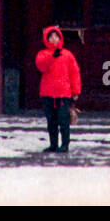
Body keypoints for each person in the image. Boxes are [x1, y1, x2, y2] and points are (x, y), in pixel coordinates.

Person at [35, 25, 81, 154]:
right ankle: (53, 144)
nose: (54, 39)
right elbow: (41, 66)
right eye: (51, 37)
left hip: (63, 93)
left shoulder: (67, 55)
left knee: (63, 119)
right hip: (48, 93)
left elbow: (74, 73)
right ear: (46, 39)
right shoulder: (43, 54)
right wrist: (52, 56)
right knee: (51, 120)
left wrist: (75, 90)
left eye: (56, 37)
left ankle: (65, 144)